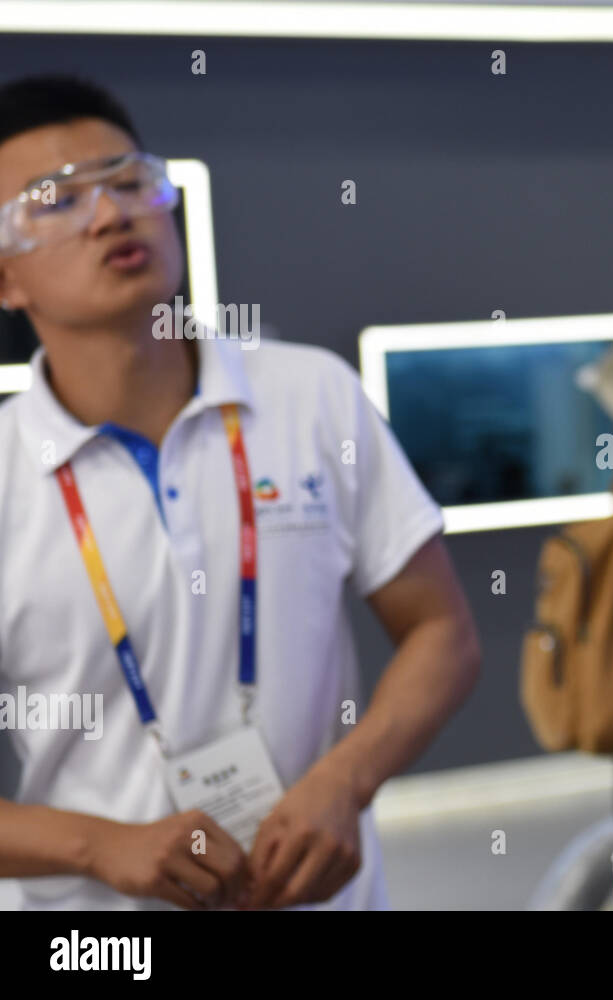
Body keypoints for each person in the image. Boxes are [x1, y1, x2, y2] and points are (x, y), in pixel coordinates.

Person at [0, 75, 481, 910]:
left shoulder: (311, 395)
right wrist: (98, 845)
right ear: (7, 280)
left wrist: (347, 779)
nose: (112, 214)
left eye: (128, 181)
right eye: (57, 201)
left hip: (317, 896)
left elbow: (441, 631)